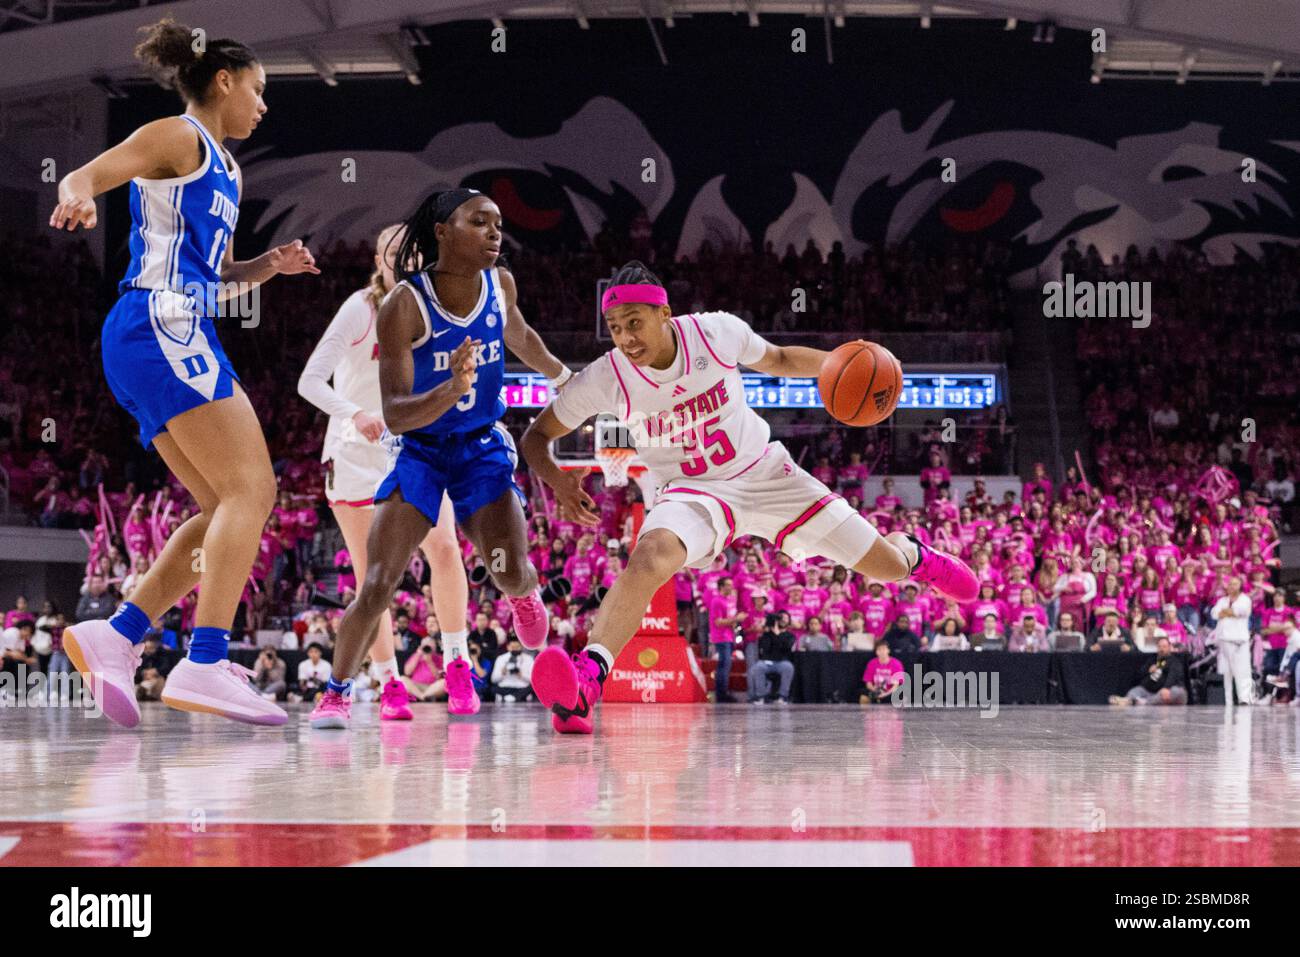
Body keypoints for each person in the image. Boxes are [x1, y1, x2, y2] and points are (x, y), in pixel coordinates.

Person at [519, 261, 977, 733]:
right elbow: (536, 437)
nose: (625, 338)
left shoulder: (716, 333)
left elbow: (776, 359)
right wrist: (557, 480)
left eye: (634, 323)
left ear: (665, 314)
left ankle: (915, 555)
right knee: (649, 555)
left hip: (766, 474)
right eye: (615, 328)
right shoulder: (605, 376)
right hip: (692, 491)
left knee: (886, 568)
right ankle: (586, 684)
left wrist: (839, 366)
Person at [53, 18, 319, 729]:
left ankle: (115, 634)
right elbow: (97, 170)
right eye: (257, 90)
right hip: (159, 322)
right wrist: (78, 191)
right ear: (224, 82)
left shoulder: (228, 169)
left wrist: (270, 266)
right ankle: (204, 659)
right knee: (253, 489)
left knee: (218, 509)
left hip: (171, 324)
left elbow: (218, 274)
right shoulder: (178, 136)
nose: (262, 106)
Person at [310, 189, 569, 730]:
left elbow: (518, 333)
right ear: (443, 233)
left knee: (509, 571)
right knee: (378, 581)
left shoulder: (501, 283)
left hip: (480, 447)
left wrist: (563, 377)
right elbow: (398, 415)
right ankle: (335, 693)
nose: (495, 232)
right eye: (480, 222)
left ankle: (523, 592)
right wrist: (450, 388)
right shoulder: (401, 304)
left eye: (499, 223)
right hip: (421, 450)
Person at [298, 222, 473, 722]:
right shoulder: (361, 308)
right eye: (391, 253)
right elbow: (309, 380)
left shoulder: (441, 314)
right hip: (356, 453)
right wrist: (354, 413)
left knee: (443, 547)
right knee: (374, 576)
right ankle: (389, 682)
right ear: (379, 260)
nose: (402, 260)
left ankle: (458, 664)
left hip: (414, 449)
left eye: (411, 253)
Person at [1211, 576, 1253, 705]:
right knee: (1226, 672)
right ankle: (1228, 700)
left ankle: (1244, 699)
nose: (1232, 586)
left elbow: (1241, 611)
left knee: (1242, 670)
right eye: (1230, 584)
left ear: (1240, 586)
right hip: (1224, 639)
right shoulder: (1222, 600)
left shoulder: (1245, 599)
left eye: (1235, 584)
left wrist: (1227, 612)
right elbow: (1214, 613)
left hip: (1239, 640)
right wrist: (1227, 612)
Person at [1110, 637, 1188, 706]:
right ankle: (1130, 699)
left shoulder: (1174, 661)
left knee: (1176, 692)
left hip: (1168, 690)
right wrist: (1148, 671)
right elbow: (1139, 675)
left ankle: (1141, 702)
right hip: (1152, 692)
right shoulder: (1152, 660)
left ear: (1169, 647)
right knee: (1135, 691)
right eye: (1159, 647)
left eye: (1164, 647)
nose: (1161, 649)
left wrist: (1166, 688)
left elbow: (1173, 676)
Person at [707, 576, 742, 702]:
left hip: (728, 636)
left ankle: (723, 693)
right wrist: (736, 619)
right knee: (724, 665)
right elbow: (718, 622)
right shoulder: (717, 601)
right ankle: (721, 694)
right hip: (721, 637)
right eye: (728, 584)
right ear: (721, 587)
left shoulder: (728, 600)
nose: (731, 587)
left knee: (725, 665)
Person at [749, 613, 796, 704]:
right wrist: (767, 630)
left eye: (785, 619)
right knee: (757, 667)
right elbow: (765, 648)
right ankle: (760, 696)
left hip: (782, 662)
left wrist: (778, 634)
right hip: (767, 662)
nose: (782, 621)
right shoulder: (767, 635)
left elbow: (786, 647)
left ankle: (783, 696)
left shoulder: (789, 635)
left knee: (788, 667)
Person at [134, 635, 179, 702]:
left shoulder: (162, 655)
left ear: (156, 647)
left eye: (152, 648)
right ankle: (142, 691)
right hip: (142, 680)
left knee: (157, 683)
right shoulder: (140, 656)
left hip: (158, 680)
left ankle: (145, 691)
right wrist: (144, 673)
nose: (148, 651)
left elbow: (166, 668)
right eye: (146, 648)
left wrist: (156, 671)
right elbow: (135, 671)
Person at [401, 638, 446, 702]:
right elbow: (407, 672)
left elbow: (438, 677)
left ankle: (421, 697)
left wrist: (430, 662)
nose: (427, 648)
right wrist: (418, 655)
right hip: (415, 687)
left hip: (432, 687)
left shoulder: (439, 658)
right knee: (402, 679)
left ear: (434, 647)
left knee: (444, 682)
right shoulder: (415, 656)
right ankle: (423, 697)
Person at [490, 637, 534, 702]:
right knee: (492, 689)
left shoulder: (529, 659)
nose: (515, 650)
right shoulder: (501, 658)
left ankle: (508, 697)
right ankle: (516, 697)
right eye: (513, 647)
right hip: (505, 687)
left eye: (517, 647)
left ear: (521, 646)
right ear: (508, 647)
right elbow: (493, 680)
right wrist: (502, 673)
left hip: (521, 687)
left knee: (531, 688)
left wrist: (522, 675)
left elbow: (533, 680)